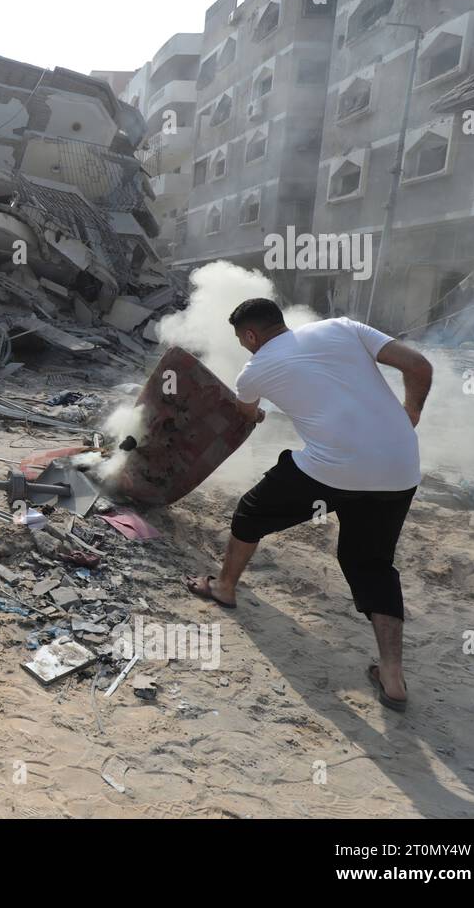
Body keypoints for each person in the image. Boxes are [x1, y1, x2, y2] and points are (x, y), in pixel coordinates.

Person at [185, 298, 433, 712]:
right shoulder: (343, 327)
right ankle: (392, 676)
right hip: (400, 468)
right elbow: (419, 366)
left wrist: (258, 414)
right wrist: (411, 412)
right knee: (372, 564)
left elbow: (247, 413)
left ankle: (225, 587)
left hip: (332, 469)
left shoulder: (255, 367)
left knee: (251, 512)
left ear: (249, 335)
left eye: (242, 340)